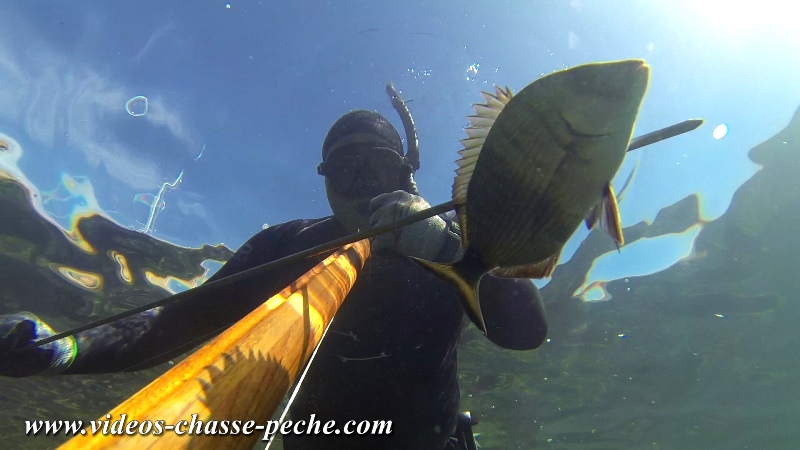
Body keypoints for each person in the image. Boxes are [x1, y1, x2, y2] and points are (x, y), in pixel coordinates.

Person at [0, 105, 547, 449]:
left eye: (375, 165)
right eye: (342, 170)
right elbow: (172, 326)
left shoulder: (459, 236)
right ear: (325, 183)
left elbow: (525, 332)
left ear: (405, 170)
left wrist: (453, 247)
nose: (360, 183)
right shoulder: (289, 247)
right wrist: (62, 347)